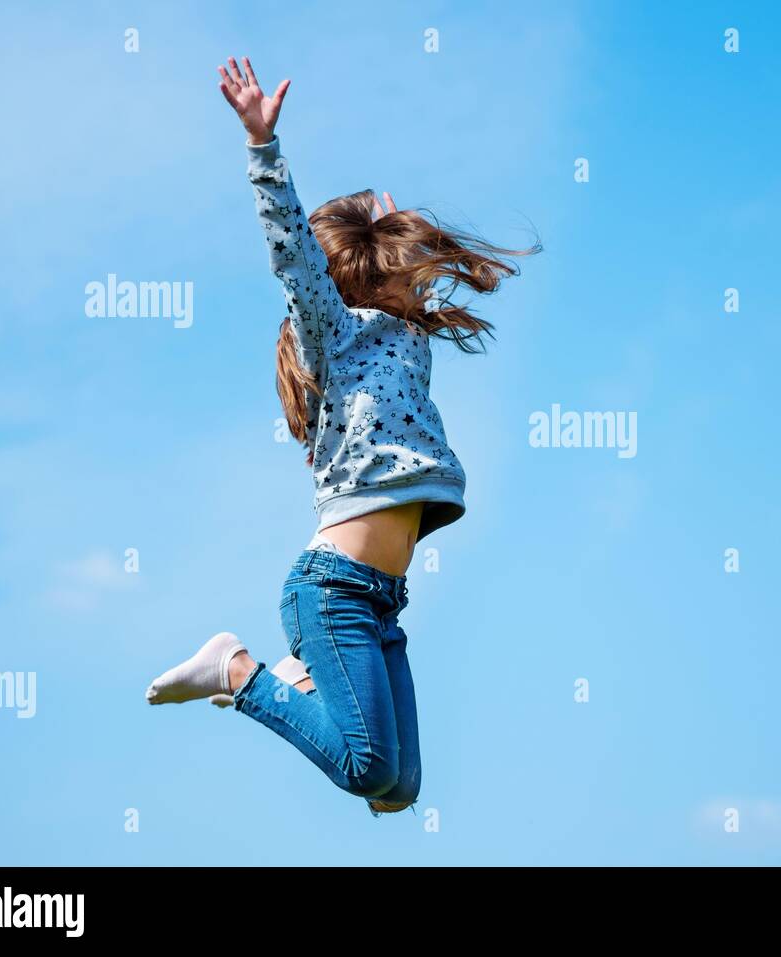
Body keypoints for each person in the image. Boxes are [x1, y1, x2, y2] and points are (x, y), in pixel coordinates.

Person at [146, 56, 536, 815]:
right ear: (356, 281)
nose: (409, 271)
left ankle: (298, 677)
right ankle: (238, 672)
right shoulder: (335, 334)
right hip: (332, 592)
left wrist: (396, 237)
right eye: (393, 260)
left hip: (383, 600)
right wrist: (264, 149)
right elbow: (294, 254)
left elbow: (405, 282)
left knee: (399, 790)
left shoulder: (407, 339)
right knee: (365, 767)